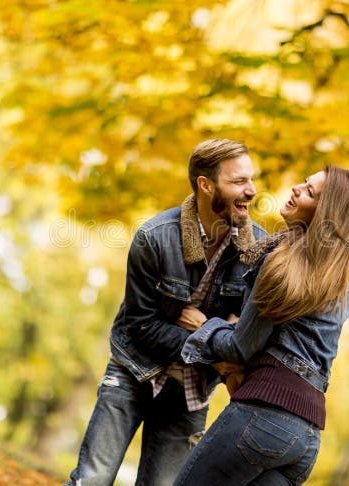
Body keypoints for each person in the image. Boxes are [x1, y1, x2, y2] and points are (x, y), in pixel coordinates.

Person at [64, 139, 267, 486]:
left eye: (251, 179)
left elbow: (245, 339)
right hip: (133, 369)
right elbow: (142, 326)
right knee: (92, 479)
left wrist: (202, 327)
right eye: (238, 181)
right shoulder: (154, 238)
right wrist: (216, 349)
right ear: (205, 185)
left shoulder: (257, 252)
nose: (251, 190)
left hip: (191, 391)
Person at [175, 165, 349, 485]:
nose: (296, 188)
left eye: (309, 192)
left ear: (323, 214)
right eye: (304, 182)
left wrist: (203, 326)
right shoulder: (339, 286)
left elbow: (240, 347)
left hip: (263, 417)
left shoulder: (282, 262)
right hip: (306, 436)